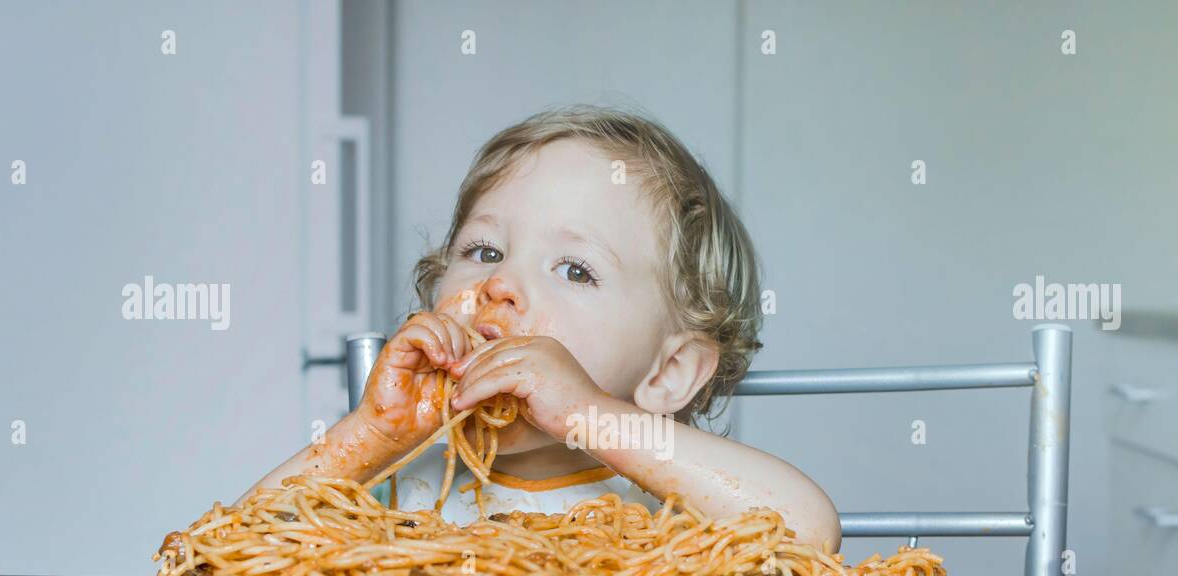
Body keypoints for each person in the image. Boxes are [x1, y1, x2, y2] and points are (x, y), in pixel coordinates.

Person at [246, 106, 840, 549]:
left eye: (575, 269)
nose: (500, 283)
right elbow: (224, 554)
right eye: (482, 251)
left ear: (670, 371)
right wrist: (370, 436)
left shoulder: (669, 501)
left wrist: (589, 415)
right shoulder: (395, 483)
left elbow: (809, 534)